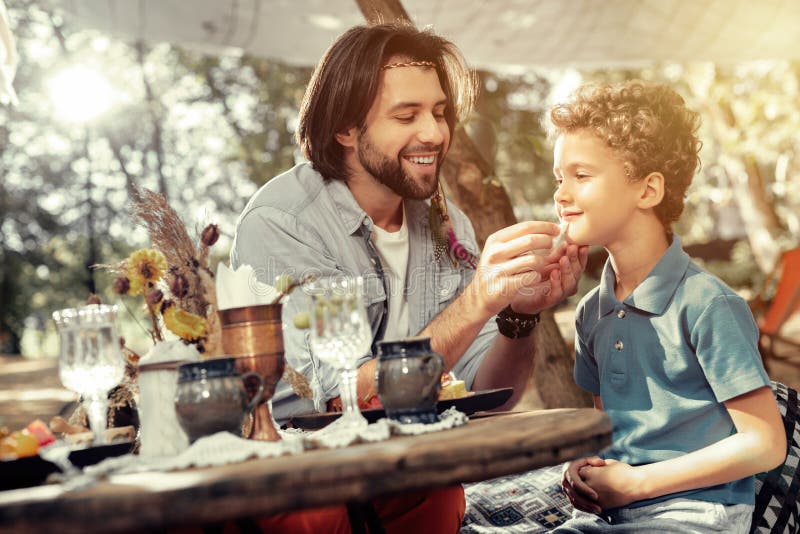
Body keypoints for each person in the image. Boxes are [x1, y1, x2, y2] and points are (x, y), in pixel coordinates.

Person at [230, 22, 587, 533]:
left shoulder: (446, 224)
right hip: (296, 471)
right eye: (407, 115)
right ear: (345, 129)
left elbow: (491, 398)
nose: (435, 133)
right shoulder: (284, 223)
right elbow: (339, 397)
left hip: (405, 469)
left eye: (440, 112)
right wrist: (477, 300)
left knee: (437, 491)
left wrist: (517, 314)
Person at [549, 80, 787, 533]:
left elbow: (765, 443)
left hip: (699, 516)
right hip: (616, 515)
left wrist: (637, 484)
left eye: (581, 176)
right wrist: (585, 465)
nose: (561, 194)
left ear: (648, 190)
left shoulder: (707, 304)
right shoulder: (590, 312)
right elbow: (608, 427)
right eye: (559, 178)